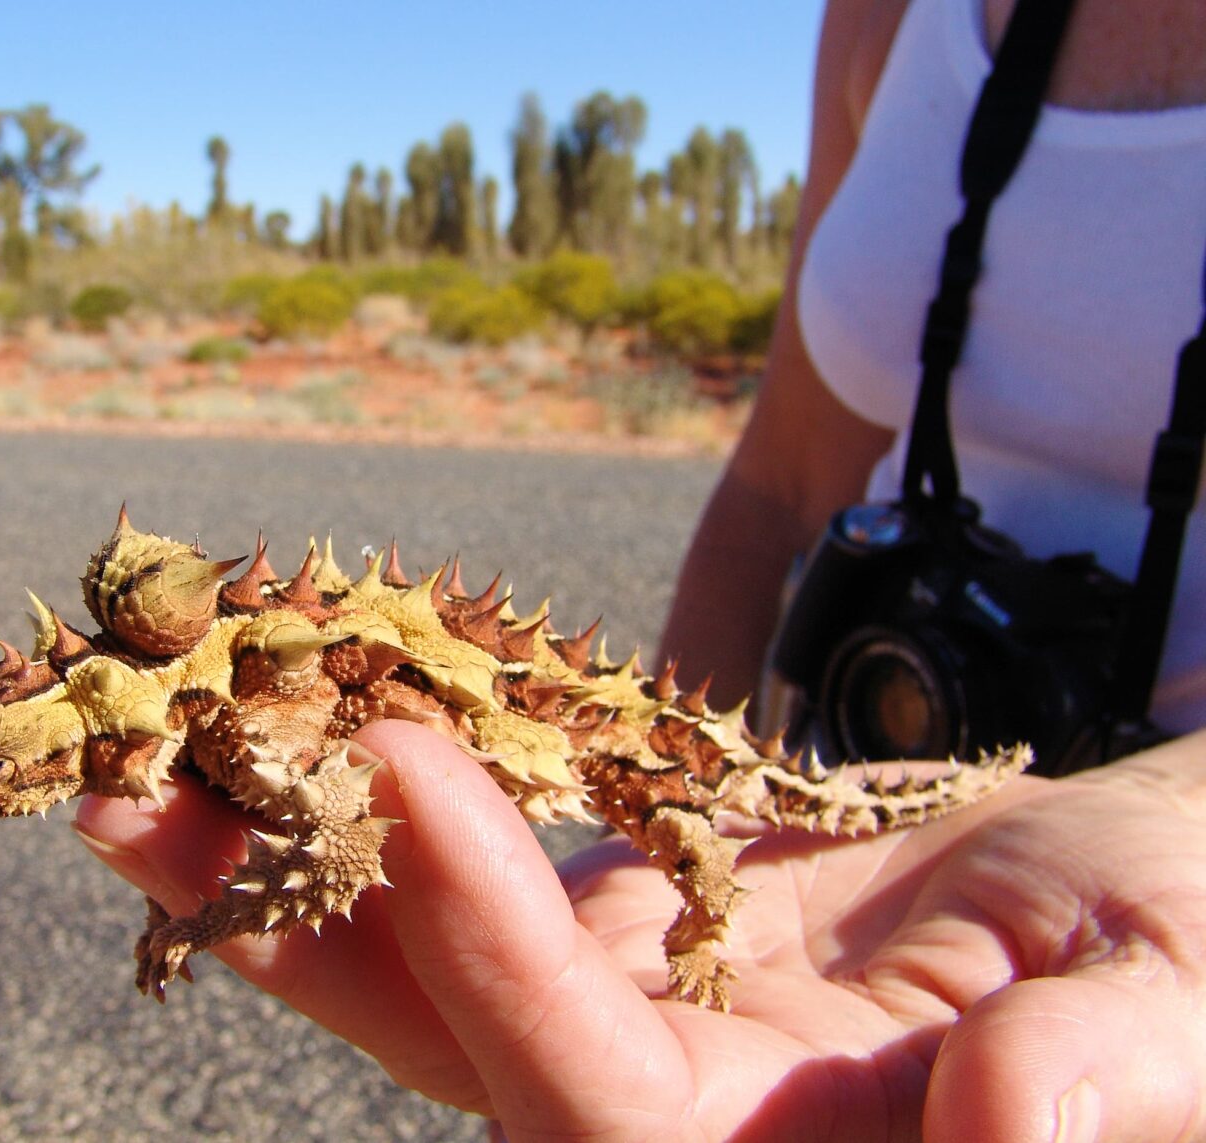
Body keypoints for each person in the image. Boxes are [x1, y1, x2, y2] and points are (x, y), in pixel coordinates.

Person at [75, 0, 1206, 1137]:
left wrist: (1163, 794)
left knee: (690, 821)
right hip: (801, 715)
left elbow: (657, 809)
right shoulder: (892, 19)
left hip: (1132, 808)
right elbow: (781, 479)